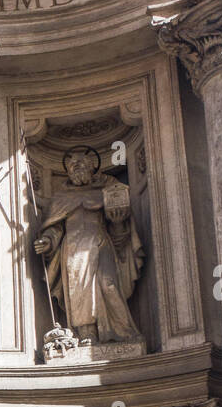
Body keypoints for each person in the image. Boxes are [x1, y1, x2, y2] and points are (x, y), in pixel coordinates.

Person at [34, 147, 144, 345]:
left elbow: (120, 233)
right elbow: (55, 228)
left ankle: (124, 331)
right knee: (80, 290)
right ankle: (88, 335)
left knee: (109, 284)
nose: (77, 169)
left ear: (92, 167)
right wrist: (47, 242)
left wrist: (118, 221)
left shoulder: (107, 190)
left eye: (82, 164)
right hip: (73, 248)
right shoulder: (61, 198)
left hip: (101, 242)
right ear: (67, 171)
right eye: (73, 166)